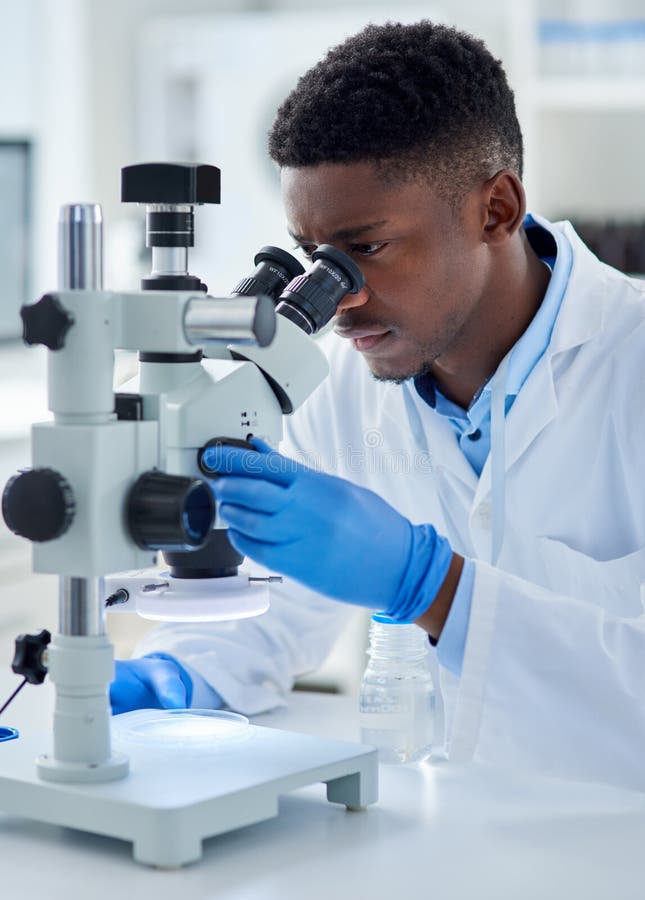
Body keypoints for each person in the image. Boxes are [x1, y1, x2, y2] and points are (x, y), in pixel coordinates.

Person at [111, 21, 645, 791]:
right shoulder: (340, 384)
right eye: (312, 258)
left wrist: (432, 586)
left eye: (363, 249)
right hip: (447, 826)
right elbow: (275, 613)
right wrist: (165, 678)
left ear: (495, 209)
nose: (337, 298)